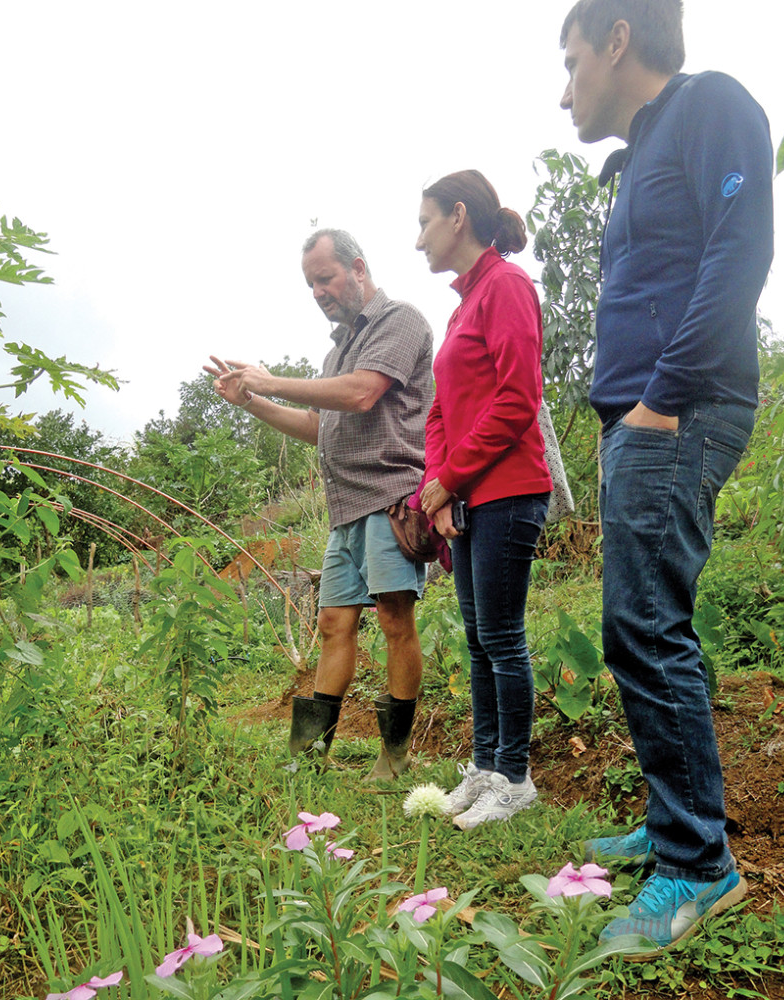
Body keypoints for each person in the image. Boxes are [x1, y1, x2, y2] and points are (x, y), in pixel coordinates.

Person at [557, 0, 774, 956]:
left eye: (569, 62)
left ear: (617, 38)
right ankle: (675, 818)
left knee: (644, 628)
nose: (564, 90)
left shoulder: (709, 105)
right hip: (641, 418)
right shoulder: (638, 156)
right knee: (640, 624)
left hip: (678, 411)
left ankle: (698, 866)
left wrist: (661, 399)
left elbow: (741, 249)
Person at [205, 229, 433, 780]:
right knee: (333, 622)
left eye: (325, 277)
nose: (318, 291)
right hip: (345, 509)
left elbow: (360, 394)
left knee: (395, 620)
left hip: (390, 497)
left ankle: (394, 757)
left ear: (358, 268)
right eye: (310, 283)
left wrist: (272, 377)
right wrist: (254, 400)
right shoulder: (338, 350)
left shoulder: (399, 321)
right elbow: (318, 425)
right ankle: (309, 755)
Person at [416, 170, 552, 830]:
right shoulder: (461, 306)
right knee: (477, 639)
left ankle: (516, 777)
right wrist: (436, 489)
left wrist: (453, 479)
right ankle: (487, 765)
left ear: (458, 216)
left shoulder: (507, 287)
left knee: (500, 634)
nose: (419, 240)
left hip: (510, 490)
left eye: (424, 222)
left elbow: (517, 399)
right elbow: (440, 410)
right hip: (467, 496)